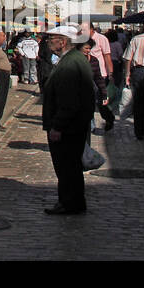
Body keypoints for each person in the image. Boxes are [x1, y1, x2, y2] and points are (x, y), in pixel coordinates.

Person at [41, 24, 95, 215]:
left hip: (69, 127)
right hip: (74, 124)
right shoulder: (72, 59)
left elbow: (69, 100)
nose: (48, 42)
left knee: (66, 167)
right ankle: (72, 201)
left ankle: (70, 202)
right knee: (70, 167)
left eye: (51, 39)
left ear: (62, 42)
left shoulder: (70, 63)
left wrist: (58, 126)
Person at [79, 36, 113, 131]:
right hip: (77, 92)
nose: (88, 51)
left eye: (90, 48)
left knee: (90, 111)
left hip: (90, 91)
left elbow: (98, 77)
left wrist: (104, 93)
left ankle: (90, 128)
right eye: (86, 48)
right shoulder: (75, 60)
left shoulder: (93, 60)